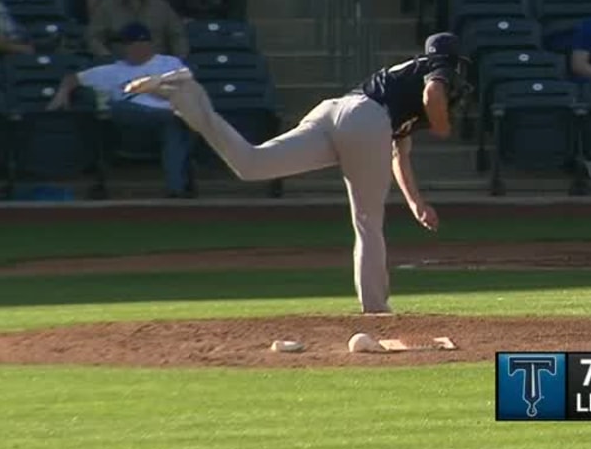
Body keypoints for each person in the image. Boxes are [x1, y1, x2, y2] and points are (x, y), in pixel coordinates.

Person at [122, 33, 469, 313]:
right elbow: (434, 91)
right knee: (367, 221)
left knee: (251, 164)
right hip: (366, 120)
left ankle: (186, 94)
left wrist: (416, 203)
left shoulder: (401, 78)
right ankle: (375, 309)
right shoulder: (437, 66)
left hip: (336, 111)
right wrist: (443, 127)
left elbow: (400, 154)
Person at [49, 23, 195, 198]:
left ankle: (176, 189)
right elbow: (72, 79)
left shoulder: (169, 63)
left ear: (148, 44)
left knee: (174, 127)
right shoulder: (113, 69)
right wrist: (62, 94)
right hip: (129, 118)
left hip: (166, 117)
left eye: (138, 43)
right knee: (117, 106)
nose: (133, 48)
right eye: (128, 45)